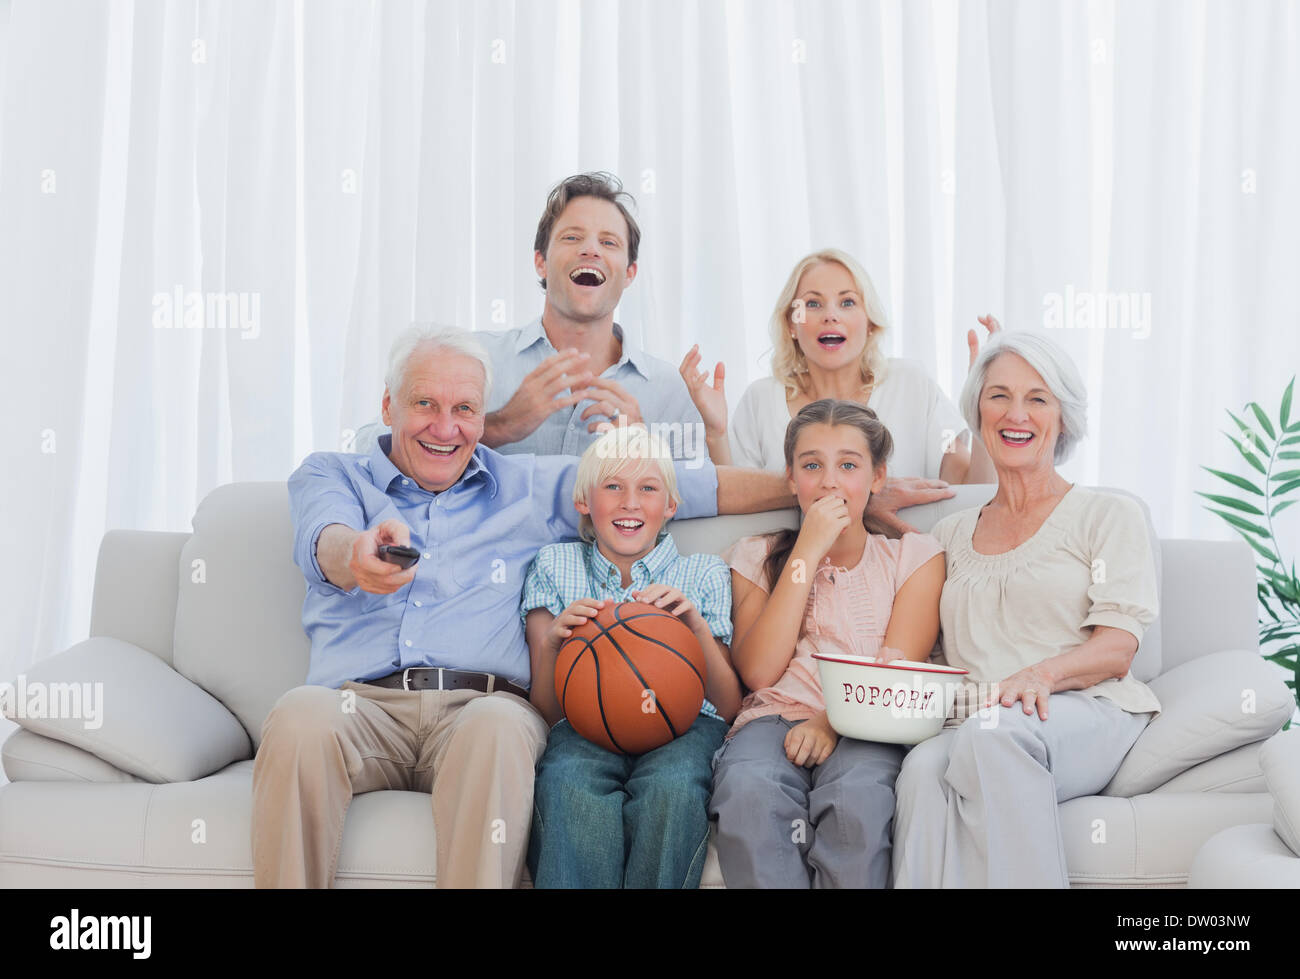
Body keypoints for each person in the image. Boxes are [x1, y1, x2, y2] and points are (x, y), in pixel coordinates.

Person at [253, 323, 793, 889]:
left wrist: (825, 488)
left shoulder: (530, 486)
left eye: (464, 408)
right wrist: (358, 554)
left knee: (499, 728)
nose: (445, 427)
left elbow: (691, 485)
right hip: (357, 706)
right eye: (424, 404)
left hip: (478, 708)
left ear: (484, 419)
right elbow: (325, 539)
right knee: (297, 717)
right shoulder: (332, 473)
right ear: (388, 405)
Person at [891, 331, 1161, 888]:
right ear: (978, 410)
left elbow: (1118, 647)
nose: (1017, 414)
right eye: (999, 396)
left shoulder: (1107, 514)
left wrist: (1038, 675)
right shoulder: (949, 532)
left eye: (1038, 398)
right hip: (981, 720)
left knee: (993, 736)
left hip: (1084, 708)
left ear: (1063, 418)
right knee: (920, 769)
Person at [708, 399, 946, 888]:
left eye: (849, 465)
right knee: (749, 791)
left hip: (870, 723)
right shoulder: (756, 555)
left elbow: (897, 668)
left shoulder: (914, 557)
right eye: (812, 466)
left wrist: (831, 721)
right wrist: (809, 548)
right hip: (773, 719)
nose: (830, 481)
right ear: (792, 480)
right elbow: (758, 672)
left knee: (858, 800)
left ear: (877, 478)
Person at [521, 425, 742, 888]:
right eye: (613, 487)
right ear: (584, 501)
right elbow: (545, 712)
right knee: (567, 785)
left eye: (647, 488)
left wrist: (695, 625)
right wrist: (552, 645)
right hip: (583, 726)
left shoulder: (703, 572)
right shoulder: (553, 566)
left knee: (674, 788)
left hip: (684, 726)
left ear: (671, 507)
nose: (630, 502)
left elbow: (727, 707)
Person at [355, 172, 705, 461]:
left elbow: (704, 495)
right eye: (572, 237)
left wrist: (647, 456)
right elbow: (367, 448)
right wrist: (499, 426)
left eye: (609, 243)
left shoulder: (668, 389)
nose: (591, 249)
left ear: (630, 273)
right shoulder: (472, 359)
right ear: (540, 261)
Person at [680, 248, 1000, 530]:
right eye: (813, 304)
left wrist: (983, 405)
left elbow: (972, 492)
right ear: (792, 324)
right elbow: (734, 510)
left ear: (870, 322)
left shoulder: (911, 383)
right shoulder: (760, 399)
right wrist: (715, 433)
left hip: (903, 573)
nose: (830, 315)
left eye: (847, 302)